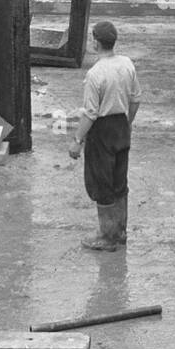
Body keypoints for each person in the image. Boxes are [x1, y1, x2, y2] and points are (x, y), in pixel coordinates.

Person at [67, 21, 140, 251]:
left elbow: (90, 113)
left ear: (95, 42)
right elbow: (136, 99)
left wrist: (77, 141)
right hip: (121, 126)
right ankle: (120, 232)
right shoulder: (127, 64)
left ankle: (107, 237)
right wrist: (126, 124)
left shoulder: (95, 74)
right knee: (120, 181)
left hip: (102, 132)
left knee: (101, 183)